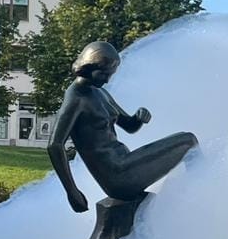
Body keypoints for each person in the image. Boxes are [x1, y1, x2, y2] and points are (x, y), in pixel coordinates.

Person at [47, 41, 197, 214]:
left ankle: (196, 193)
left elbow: (129, 125)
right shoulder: (75, 98)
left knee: (186, 137)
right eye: (103, 74)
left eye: (110, 74)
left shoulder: (100, 92)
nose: (107, 79)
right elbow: (55, 145)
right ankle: (202, 193)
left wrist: (139, 117)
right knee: (188, 141)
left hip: (126, 162)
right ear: (88, 66)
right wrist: (72, 191)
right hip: (117, 177)